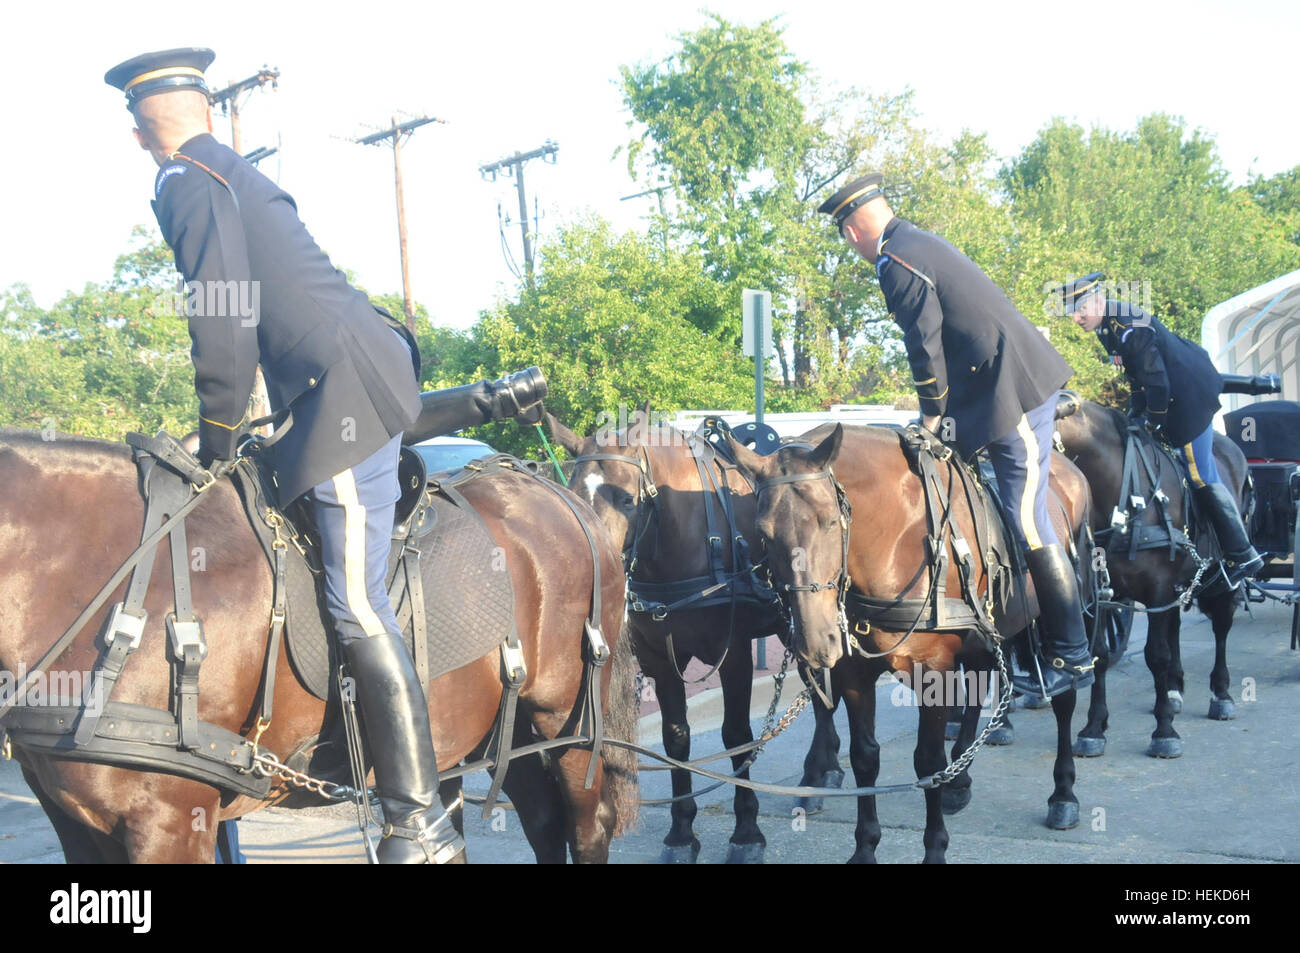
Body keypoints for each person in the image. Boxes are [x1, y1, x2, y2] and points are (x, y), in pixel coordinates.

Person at [105, 47, 465, 862]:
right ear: (204, 111)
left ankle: (419, 819)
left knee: (355, 603)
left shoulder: (183, 183)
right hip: (344, 375)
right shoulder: (232, 167)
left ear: (139, 135)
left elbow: (224, 325)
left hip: (337, 395)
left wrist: (217, 443)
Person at [817, 173, 1095, 698]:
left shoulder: (894, 261)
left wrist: (928, 417)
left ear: (852, 232)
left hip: (1011, 390)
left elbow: (925, 347)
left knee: (1026, 517)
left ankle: (1073, 653)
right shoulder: (912, 242)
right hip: (984, 393)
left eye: (845, 236)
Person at [1057, 273, 1264, 585]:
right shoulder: (1106, 325)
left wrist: (1151, 421)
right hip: (1169, 394)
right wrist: (1136, 414)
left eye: (1080, 309)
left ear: (1097, 301)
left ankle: (1243, 553)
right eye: (1072, 311)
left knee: (1198, 473)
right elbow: (1136, 374)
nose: (1076, 318)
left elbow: (1157, 381)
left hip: (1190, 397)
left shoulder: (1128, 326)